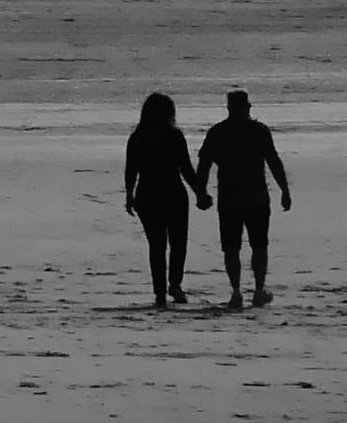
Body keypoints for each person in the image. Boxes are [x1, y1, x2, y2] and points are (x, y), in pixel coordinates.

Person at [194, 89, 291, 309]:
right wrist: (284, 190)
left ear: (229, 108)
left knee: (231, 247)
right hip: (255, 196)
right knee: (259, 245)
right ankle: (258, 290)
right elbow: (273, 161)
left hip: (229, 197)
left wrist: (201, 193)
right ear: (246, 108)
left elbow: (204, 165)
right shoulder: (258, 131)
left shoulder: (218, 132)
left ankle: (237, 291)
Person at [122, 94, 199, 305]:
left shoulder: (137, 137)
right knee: (178, 243)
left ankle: (159, 292)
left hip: (147, 194)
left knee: (156, 245)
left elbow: (131, 170)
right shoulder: (174, 136)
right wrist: (200, 192)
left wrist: (129, 194)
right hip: (173, 193)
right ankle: (175, 284)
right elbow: (186, 169)